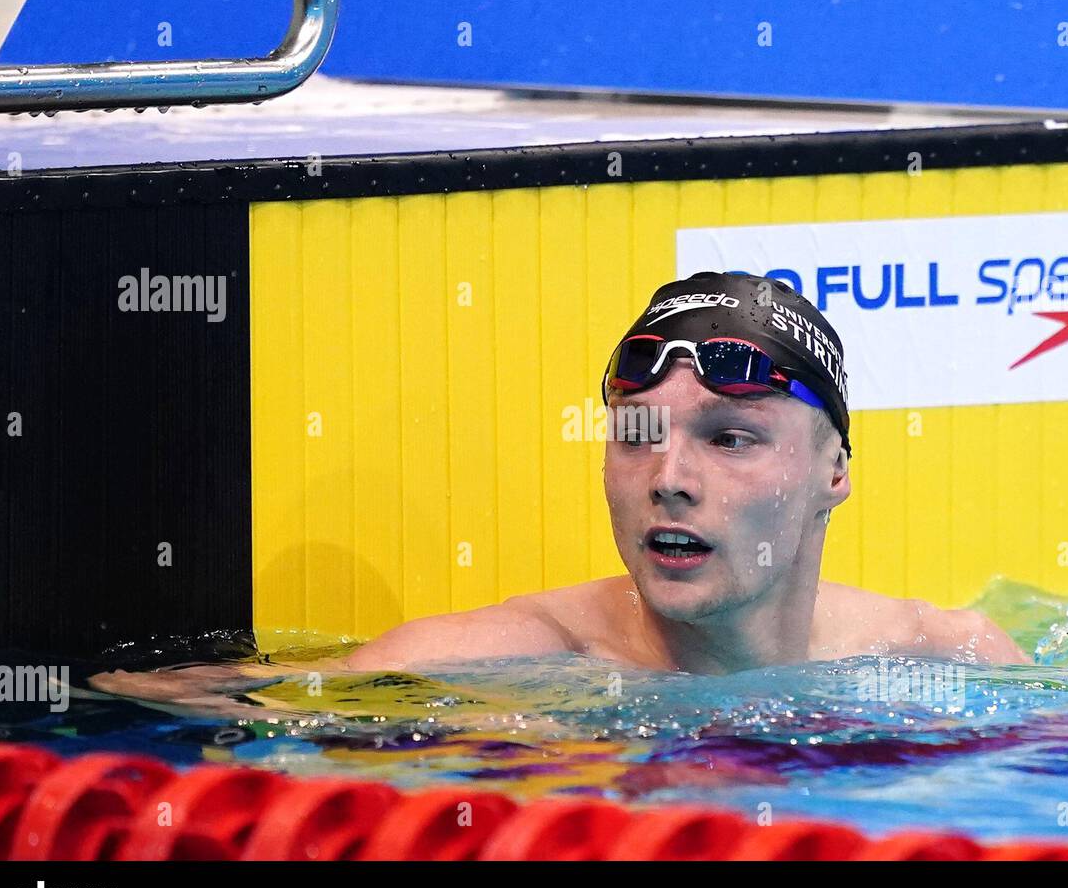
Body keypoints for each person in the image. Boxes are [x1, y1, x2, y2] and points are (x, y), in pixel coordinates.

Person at [347, 271, 1027, 674]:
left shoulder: (950, 657)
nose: (669, 477)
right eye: (636, 432)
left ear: (835, 470)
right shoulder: (476, 666)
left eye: (730, 438)